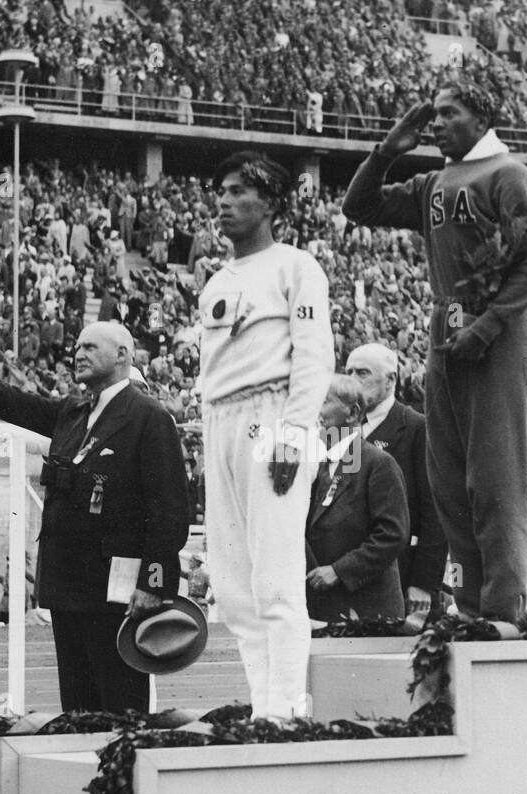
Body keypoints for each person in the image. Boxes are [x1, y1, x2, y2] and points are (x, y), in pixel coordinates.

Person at [343, 83, 527, 622]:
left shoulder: (507, 174)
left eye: (449, 113)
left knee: (494, 475)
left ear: (482, 116)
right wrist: (386, 151)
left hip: (495, 329)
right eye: (433, 115)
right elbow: (359, 207)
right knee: (448, 478)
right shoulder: (434, 181)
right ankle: (472, 605)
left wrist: (485, 328)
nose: (436, 124)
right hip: (445, 327)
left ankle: (504, 611)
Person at [0, 320, 189, 714]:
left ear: (123, 356)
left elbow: (169, 511)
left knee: (121, 708)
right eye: (76, 346)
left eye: (91, 347)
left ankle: (122, 776)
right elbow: (8, 400)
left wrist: (154, 583)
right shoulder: (72, 413)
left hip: (117, 594)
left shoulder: (149, 417)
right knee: (76, 708)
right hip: (67, 587)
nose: (78, 353)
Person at [196, 152, 334, 720]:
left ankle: (285, 709)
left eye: (237, 192)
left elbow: (314, 353)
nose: (223, 202)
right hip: (220, 420)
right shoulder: (217, 280)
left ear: (271, 203)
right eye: (221, 192)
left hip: (270, 417)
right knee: (232, 586)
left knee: (275, 576)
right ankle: (262, 705)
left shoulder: (296, 267)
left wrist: (295, 433)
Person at [346, 342, 447, 620]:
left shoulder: (418, 428)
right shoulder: (342, 430)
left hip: (403, 577)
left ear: (391, 379)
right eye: (349, 372)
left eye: (363, 373)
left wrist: (424, 584)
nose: (353, 380)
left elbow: (435, 511)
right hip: (349, 576)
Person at [305, 374, 409, 622]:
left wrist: (339, 571)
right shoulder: (316, 465)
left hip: (368, 611)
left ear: (352, 413)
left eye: (322, 401)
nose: (312, 411)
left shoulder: (378, 463)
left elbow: (393, 534)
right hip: (324, 609)